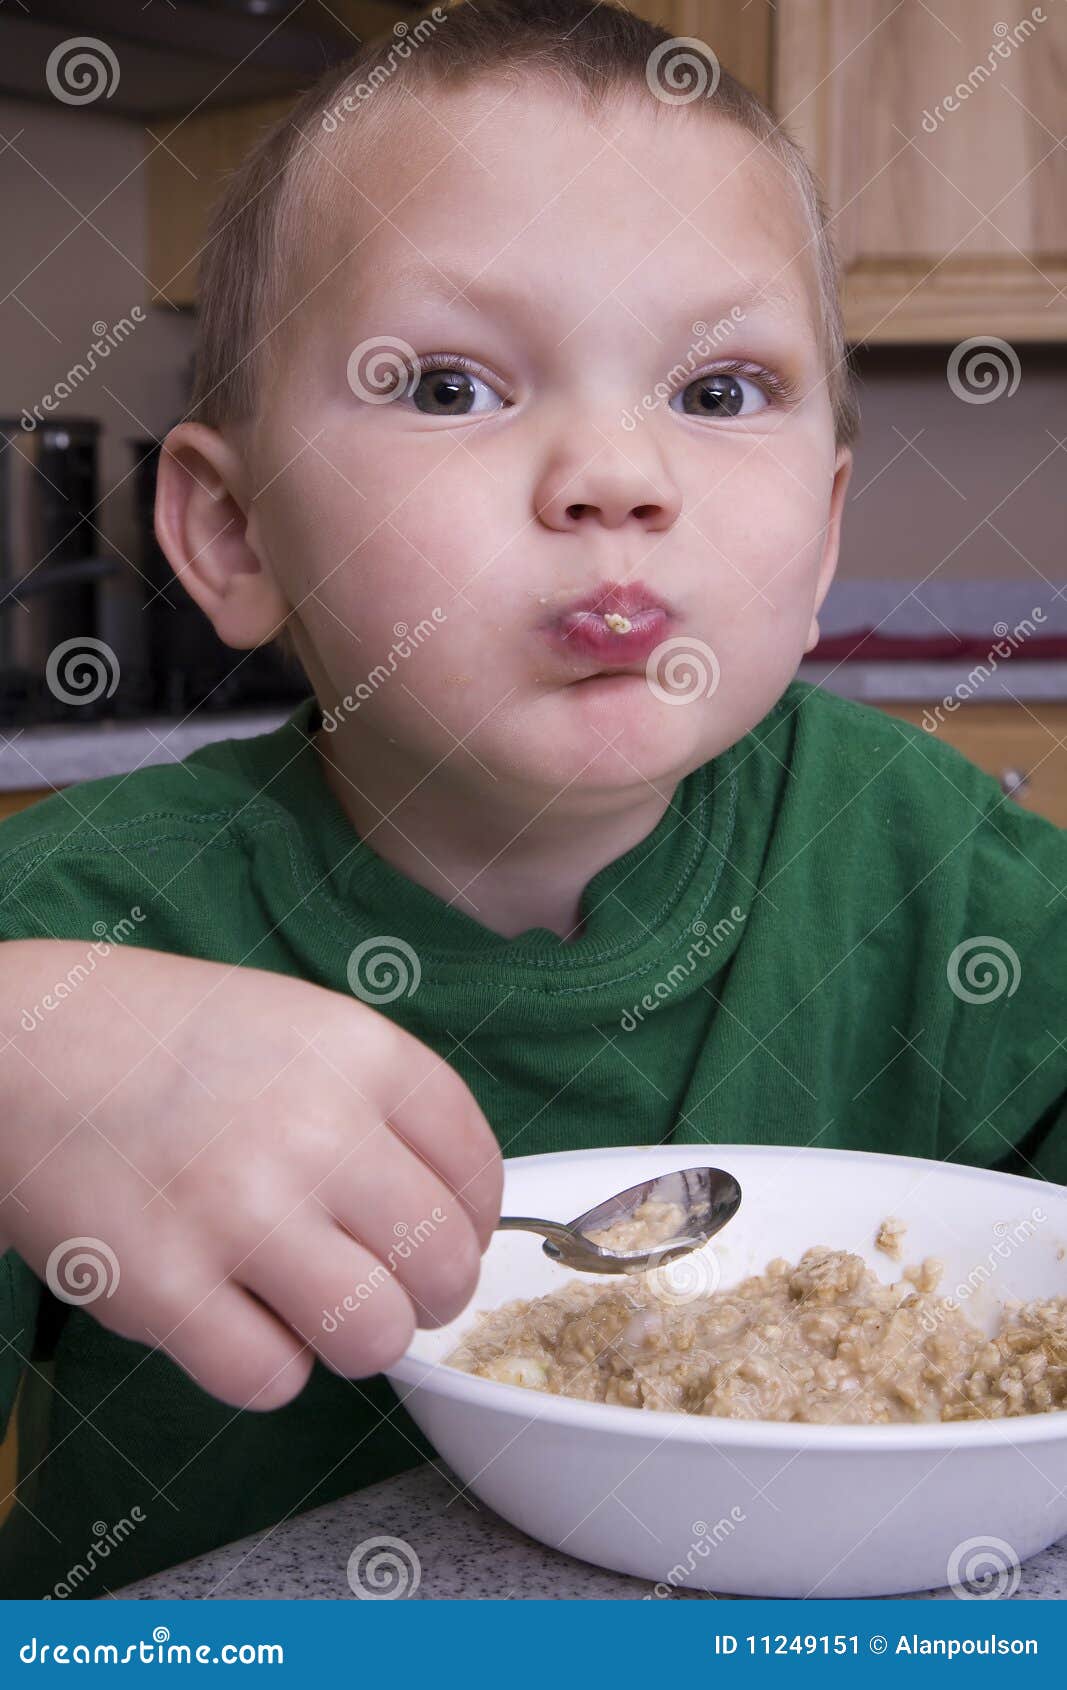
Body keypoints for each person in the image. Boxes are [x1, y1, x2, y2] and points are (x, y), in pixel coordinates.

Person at [0, 0, 1062, 1598]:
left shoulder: (934, 868)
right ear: (230, 534)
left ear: (828, 530)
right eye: (445, 386)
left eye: (717, 392)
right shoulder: (83, 929)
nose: (617, 472)